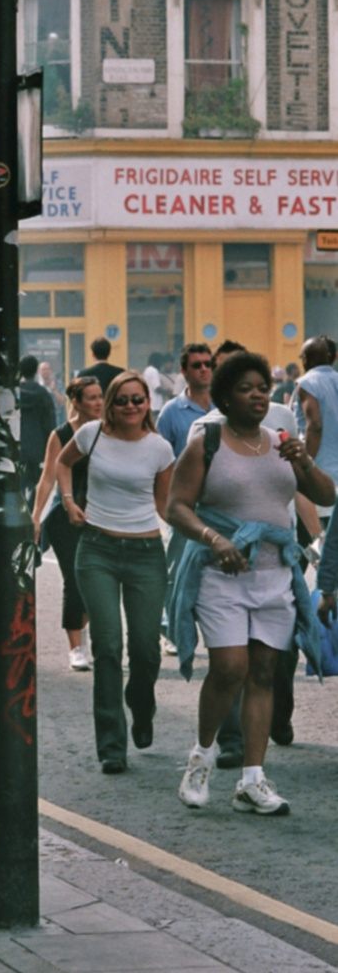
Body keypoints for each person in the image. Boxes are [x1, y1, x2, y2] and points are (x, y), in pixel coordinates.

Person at [169, 352, 334, 816]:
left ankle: (252, 781)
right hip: (221, 576)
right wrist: (214, 538)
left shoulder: (283, 441)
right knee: (229, 668)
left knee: (264, 672)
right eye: (246, 388)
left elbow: (325, 495)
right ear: (226, 396)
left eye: (263, 387)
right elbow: (177, 507)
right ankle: (200, 759)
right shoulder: (208, 441)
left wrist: (305, 461)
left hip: (275, 575)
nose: (258, 394)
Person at [57, 371, 174, 775]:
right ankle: (111, 745)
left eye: (137, 399)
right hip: (97, 551)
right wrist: (69, 502)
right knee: (107, 647)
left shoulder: (160, 448)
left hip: (145, 554)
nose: (130, 406)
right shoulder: (92, 434)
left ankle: (142, 705)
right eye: (122, 400)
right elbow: (62, 462)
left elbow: (165, 506)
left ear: (148, 403)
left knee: (144, 650)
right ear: (110, 403)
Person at [31, 376, 104, 671]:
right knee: (74, 581)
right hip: (66, 520)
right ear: (76, 402)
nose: (99, 402)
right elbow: (48, 477)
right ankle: (76, 648)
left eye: (101, 396)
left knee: (98, 582)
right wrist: (35, 517)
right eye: (92, 397)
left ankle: (87, 634)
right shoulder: (61, 434)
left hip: (100, 518)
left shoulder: (107, 432)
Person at [156, 342, 213, 658]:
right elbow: (161, 462)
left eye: (207, 364)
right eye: (196, 365)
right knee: (176, 571)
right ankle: (170, 630)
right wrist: (165, 507)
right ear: (184, 371)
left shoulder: (226, 407)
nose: (203, 369)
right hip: (184, 506)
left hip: (220, 504)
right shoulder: (171, 413)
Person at [296, 335, 338, 529]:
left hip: (321, 478)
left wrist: (306, 465)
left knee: (318, 548)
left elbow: (314, 426)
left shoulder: (307, 383)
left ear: (305, 359)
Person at [18, 355, 55, 510]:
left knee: (18, 483)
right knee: (36, 483)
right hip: (37, 449)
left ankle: (20, 508)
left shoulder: (14, 394)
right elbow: (50, 424)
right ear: (36, 372)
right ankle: (30, 509)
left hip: (17, 448)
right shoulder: (43, 394)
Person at [143, 351, 175, 417]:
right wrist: (167, 392)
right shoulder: (154, 371)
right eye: (161, 361)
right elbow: (157, 388)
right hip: (155, 406)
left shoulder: (147, 370)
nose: (162, 364)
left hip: (149, 405)